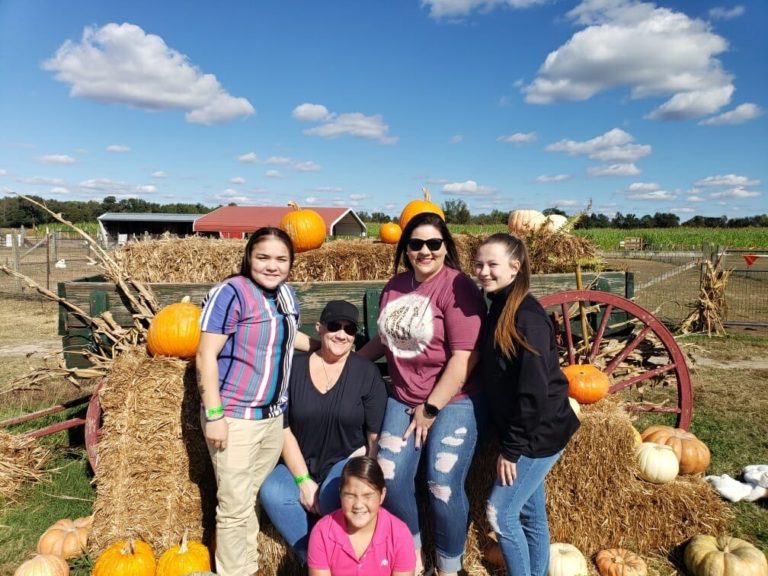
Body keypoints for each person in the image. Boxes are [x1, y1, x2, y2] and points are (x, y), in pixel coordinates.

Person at [359, 211, 487, 576]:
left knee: (440, 482)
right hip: (402, 397)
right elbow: (384, 341)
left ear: (446, 247)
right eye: (416, 244)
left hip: (453, 399)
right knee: (390, 475)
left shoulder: (458, 287)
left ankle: (449, 566)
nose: (425, 251)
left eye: (434, 243)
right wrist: (348, 364)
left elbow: (466, 357)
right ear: (406, 249)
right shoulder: (395, 286)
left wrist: (430, 409)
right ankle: (412, 558)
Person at [196, 226, 315, 576]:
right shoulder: (230, 293)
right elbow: (205, 355)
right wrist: (215, 414)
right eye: (263, 257)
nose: (272, 266)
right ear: (249, 257)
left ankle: (245, 566)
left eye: (281, 259)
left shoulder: (288, 295)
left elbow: (288, 338)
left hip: (273, 418)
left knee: (248, 500)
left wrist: (326, 347)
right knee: (233, 506)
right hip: (234, 416)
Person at [473, 232, 580, 576]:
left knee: (499, 513)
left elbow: (533, 391)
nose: (483, 271)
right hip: (525, 431)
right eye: (479, 264)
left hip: (538, 434)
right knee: (531, 515)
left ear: (515, 267)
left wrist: (512, 449)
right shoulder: (499, 306)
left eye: (492, 264)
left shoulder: (527, 317)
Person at [260, 300, 388, 564]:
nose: (341, 334)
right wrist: (303, 481)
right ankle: (318, 561)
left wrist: (366, 472)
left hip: (344, 461)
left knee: (338, 498)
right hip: (299, 460)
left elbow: (374, 436)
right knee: (273, 492)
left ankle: (338, 561)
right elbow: (282, 428)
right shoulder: (293, 369)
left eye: (349, 329)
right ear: (319, 328)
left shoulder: (366, 373)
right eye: (334, 326)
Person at [307, 456, 416, 576]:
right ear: (340, 494)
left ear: (382, 495)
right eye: (350, 495)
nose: (358, 505)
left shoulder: (400, 535)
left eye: (368, 495)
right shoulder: (322, 532)